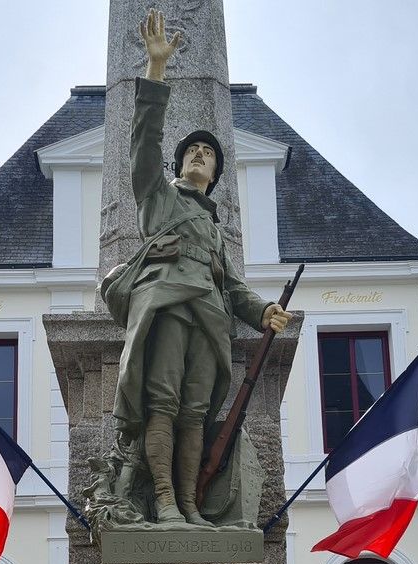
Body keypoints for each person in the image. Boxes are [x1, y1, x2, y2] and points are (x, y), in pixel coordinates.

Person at [109, 7, 290, 526]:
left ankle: (189, 503)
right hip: (168, 303)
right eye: (194, 151)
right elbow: (142, 142)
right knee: (161, 404)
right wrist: (156, 69)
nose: (201, 156)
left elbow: (234, 288)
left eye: (209, 154)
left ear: (215, 173)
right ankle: (163, 498)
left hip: (210, 315)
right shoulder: (158, 198)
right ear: (180, 163)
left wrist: (264, 313)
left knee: (195, 411)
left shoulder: (212, 228)